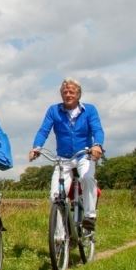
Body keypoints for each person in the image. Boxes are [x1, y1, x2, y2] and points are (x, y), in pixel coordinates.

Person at [28, 78, 105, 230]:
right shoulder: (54, 110)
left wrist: (97, 145)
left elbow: (97, 129)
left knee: (87, 177)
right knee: (55, 196)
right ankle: (60, 237)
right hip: (63, 158)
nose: (68, 94)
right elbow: (44, 130)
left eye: (72, 92)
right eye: (65, 92)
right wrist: (36, 147)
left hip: (84, 155)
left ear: (79, 94)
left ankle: (90, 216)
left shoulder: (89, 110)